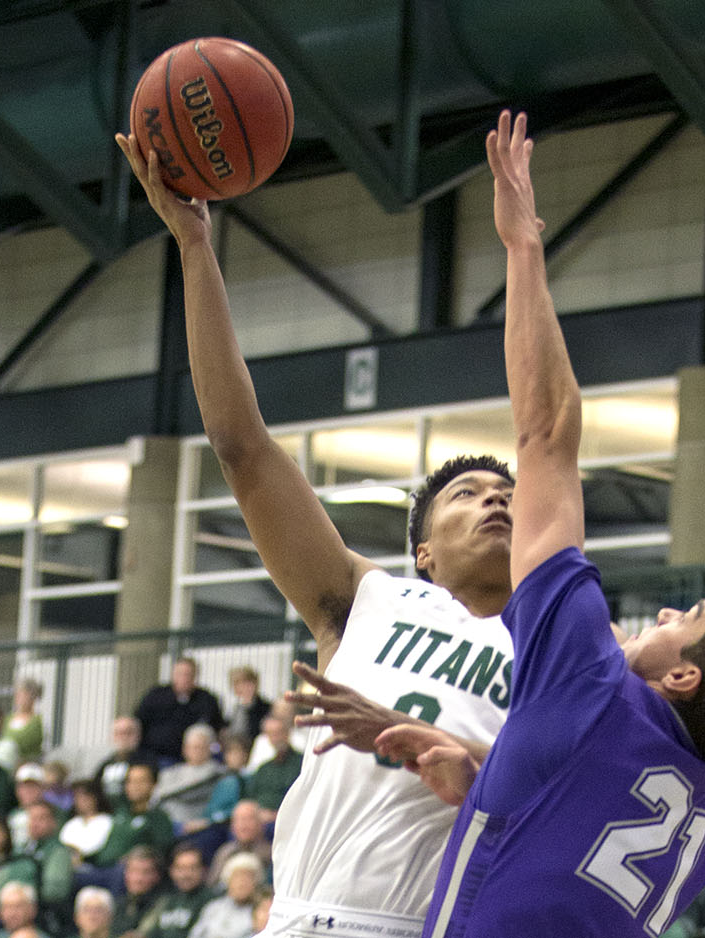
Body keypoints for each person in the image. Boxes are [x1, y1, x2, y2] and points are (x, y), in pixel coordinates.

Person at [357, 110, 705, 937]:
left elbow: (547, 438)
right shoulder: (698, 820)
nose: (670, 612)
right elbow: (566, 816)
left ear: (682, 678)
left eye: (691, 621)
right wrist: (490, 778)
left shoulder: (593, 683)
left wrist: (524, 250)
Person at [116, 125, 518, 938]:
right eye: (467, 493)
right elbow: (242, 448)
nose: (496, 501)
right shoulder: (366, 599)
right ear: (424, 554)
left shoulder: (560, 647)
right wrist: (195, 247)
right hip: (295, 915)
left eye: (508, 492)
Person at [133, 660, 224, 765]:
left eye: (188, 674)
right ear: (173, 675)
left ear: (195, 676)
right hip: (155, 756)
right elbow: (138, 721)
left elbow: (216, 728)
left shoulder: (207, 700)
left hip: (193, 760)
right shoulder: (155, 696)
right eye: (180, 674)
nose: (184, 678)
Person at [154, 727, 226, 835]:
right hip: (167, 824)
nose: (197, 751)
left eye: (201, 747)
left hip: (198, 826)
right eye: (193, 747)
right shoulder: (169, 774)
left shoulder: (219, 773)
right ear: (185, 749)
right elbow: (156, 799)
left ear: (209, 748)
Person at [144, 844, 213, 938]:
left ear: (204, 870)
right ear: (172, 871)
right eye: (180, 868)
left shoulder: (212, 900)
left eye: (192, 868)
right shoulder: (167, 901)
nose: (185, 874)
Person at [189, 853, 262, 938]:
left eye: (248, 877)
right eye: (237, 877)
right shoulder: (213, 908)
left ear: (256, 882)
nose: (242, 882)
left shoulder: (260, 912)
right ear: (228, 881)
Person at [205, 802, 271, 889]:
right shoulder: (224, 852)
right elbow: (212, 885)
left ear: (260, 824)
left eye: (249, 819)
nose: (243, 825)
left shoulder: (271, 853)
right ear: (232, 827)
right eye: (238, 820)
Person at [93, 719, 148, 807]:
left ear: (138, 735)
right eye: (119, 733)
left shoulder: (146, 762)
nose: (124, 737)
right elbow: (94, 788)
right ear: (113, 736)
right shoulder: (106, 763)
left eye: (129, 733)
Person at [222, 669, 269, 745]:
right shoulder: (233, 708)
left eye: (247, 683)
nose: (243, 687)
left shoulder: (265, 708)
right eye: (238, 684)